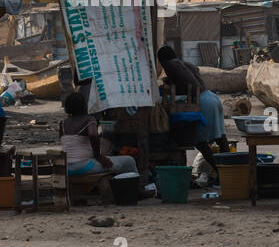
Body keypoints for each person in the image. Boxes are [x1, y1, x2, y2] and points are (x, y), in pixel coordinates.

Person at [155, 45, 230, 180]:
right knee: (221, 139)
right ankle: (231, 172)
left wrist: (168, 82)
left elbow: (183, 88)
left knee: (199, 141)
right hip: (212, 97)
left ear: (162, 60)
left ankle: (221, 172)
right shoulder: (185, 64)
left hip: (201, 102)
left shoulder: (170, 65)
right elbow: (192, 75)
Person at [59, 92, 138, 178]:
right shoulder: (89, 119)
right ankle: (137, 188)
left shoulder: (63, 123)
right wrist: (98, 156)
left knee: (110, 160)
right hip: (84, 167)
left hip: (67, 168)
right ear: (84, 105)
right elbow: (93, 135)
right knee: (129, 161)